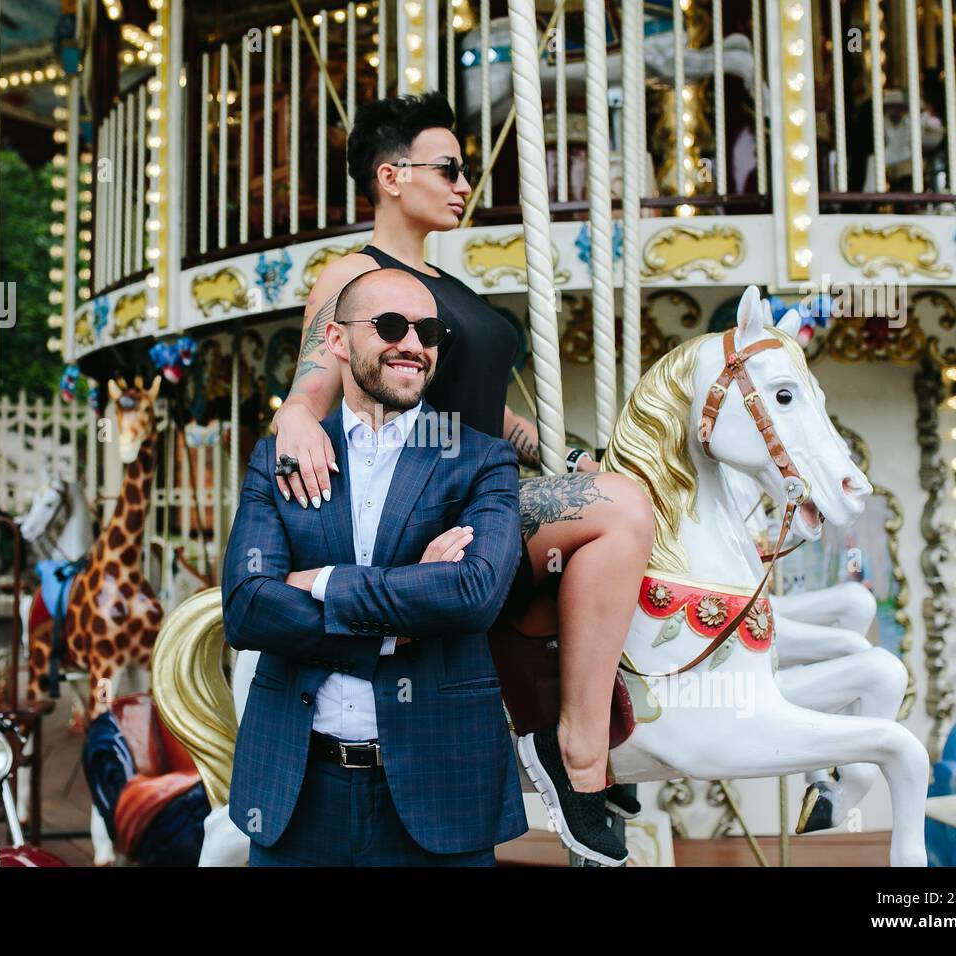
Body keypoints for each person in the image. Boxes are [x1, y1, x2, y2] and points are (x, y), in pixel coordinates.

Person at [269, 91, 653, 865]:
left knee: (623, 501)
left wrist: (565, 458)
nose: (464, 183)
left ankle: (576, 720)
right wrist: (296, 416)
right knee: (622, 510)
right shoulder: (356, 272)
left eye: (463, 170)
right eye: (447, 168)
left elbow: (487, 414)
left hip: (487, 486)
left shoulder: (444, 287)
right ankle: (577, 757)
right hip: (433, 502)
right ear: (390, 176)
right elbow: (315, 376)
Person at [222, 267, 527, 866]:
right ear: (337, 340)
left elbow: (473, 594)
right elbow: (247, 607)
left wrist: (324, 584)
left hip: (440, 789)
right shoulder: (281, 458)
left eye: (428, 332)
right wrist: (399, 620)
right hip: (296, 788)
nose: (413, 345)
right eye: (390, 326)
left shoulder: (481, 460)